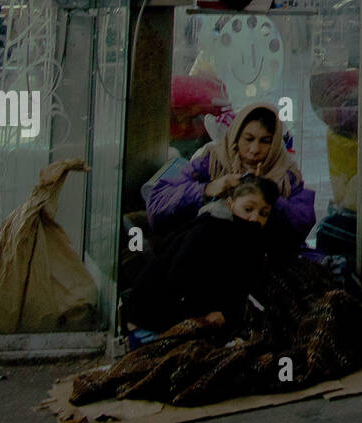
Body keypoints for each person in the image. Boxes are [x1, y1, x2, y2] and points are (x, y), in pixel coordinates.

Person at [126, 175, 280, 332]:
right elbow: (179, 276)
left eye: (263, 213)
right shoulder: (208, 230)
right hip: (156, 310)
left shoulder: (253, 240)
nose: (254, 218)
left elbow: (239, 286)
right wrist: (201, 314)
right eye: (248, 209)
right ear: (230, 204)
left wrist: (226, 313)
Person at [146, 102, 316, 245]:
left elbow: (301, 227)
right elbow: (157, 207)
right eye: (248, 139)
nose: (255, 150)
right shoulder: (211, 162)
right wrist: (208, 189)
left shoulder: (286, 175)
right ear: (235, 137)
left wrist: (265, 194)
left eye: (266, 141)